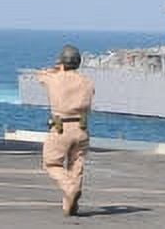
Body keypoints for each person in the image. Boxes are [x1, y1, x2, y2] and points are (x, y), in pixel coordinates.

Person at [36, 44, 95, 217]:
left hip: (60, 128)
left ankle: (70, 188)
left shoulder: (53, 78)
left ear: (62, 61)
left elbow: (40, 75)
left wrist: (56, 68)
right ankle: (70, 204)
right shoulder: (87, 81)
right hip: (81, 128)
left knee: (52, 164)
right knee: (77, 165)